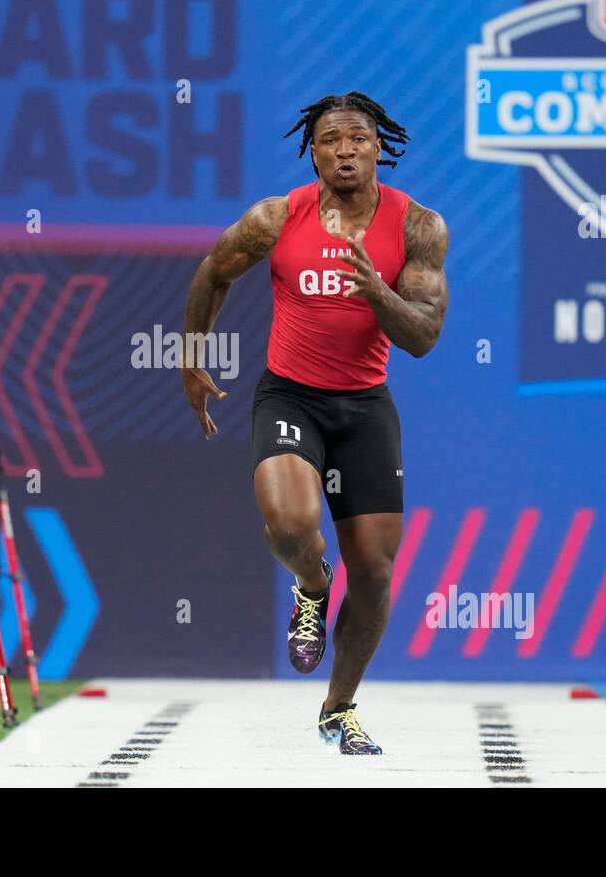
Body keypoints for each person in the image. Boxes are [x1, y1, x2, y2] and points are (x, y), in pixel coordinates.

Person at [180, 92, 450, 754]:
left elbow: (423, 337)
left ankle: (339, 708)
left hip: (364, 408)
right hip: (291, 398)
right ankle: (310, 587)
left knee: (377, 573)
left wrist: (376, 289)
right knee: (291, 526)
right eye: (330, 140)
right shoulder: (277, 217)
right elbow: (213, 271)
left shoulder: (419, 227)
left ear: (378, 146)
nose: (345, 150)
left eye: (357, 138)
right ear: (314, 151)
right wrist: (191, 357)